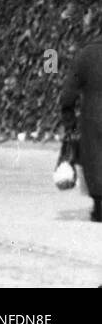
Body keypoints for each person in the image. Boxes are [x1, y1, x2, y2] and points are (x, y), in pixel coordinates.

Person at [61, 33, 102, 223]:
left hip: (93, 117)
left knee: (95, 159)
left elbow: (69, 92)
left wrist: (69, 119)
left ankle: (99, 206)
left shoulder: (86, 54)